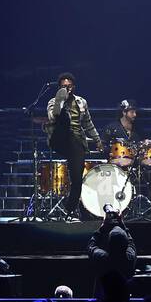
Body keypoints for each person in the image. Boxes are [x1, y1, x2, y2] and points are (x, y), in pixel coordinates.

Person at [45, 73, 102, 219]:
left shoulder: (82, 102)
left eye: (69, 86)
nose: (67, 89)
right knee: (61, 117)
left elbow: (88, 123)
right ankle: (63, 112)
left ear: (74, 87)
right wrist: (61, 101)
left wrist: (97, 139)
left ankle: (69, 209)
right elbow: (52, 117)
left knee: (77, 180)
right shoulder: (52, 101)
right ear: (59, 88)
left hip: (76, 142)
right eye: (63, 87)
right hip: (59, 138)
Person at [88, 207, 137, 288]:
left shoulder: (102, 257)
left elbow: (91, 246)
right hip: (123, 297)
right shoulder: (129, 257)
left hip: (104, 297)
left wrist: (103, 226)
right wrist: (121, 223)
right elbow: (131, 242)